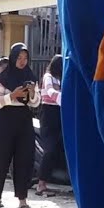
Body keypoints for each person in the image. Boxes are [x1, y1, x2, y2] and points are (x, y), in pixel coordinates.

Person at [0, 42, 41, 208]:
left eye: (25, 58)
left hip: (24, 119)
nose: (22, 61)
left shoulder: (31, 76)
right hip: (6, 118)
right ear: (13, 58)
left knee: (25, 157)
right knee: (1, 156)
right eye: (19, 57)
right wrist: (13, 95)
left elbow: (36, 102)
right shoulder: (1, 79)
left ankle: (23, 200)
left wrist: (31, 94)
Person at [35, 54, 65, 196]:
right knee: (50, 150)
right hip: (48, 114)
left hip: (60, 114)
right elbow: (50, 92)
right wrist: (63, 97)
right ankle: (41, 184)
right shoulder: (48, 77)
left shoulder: (61, 78)